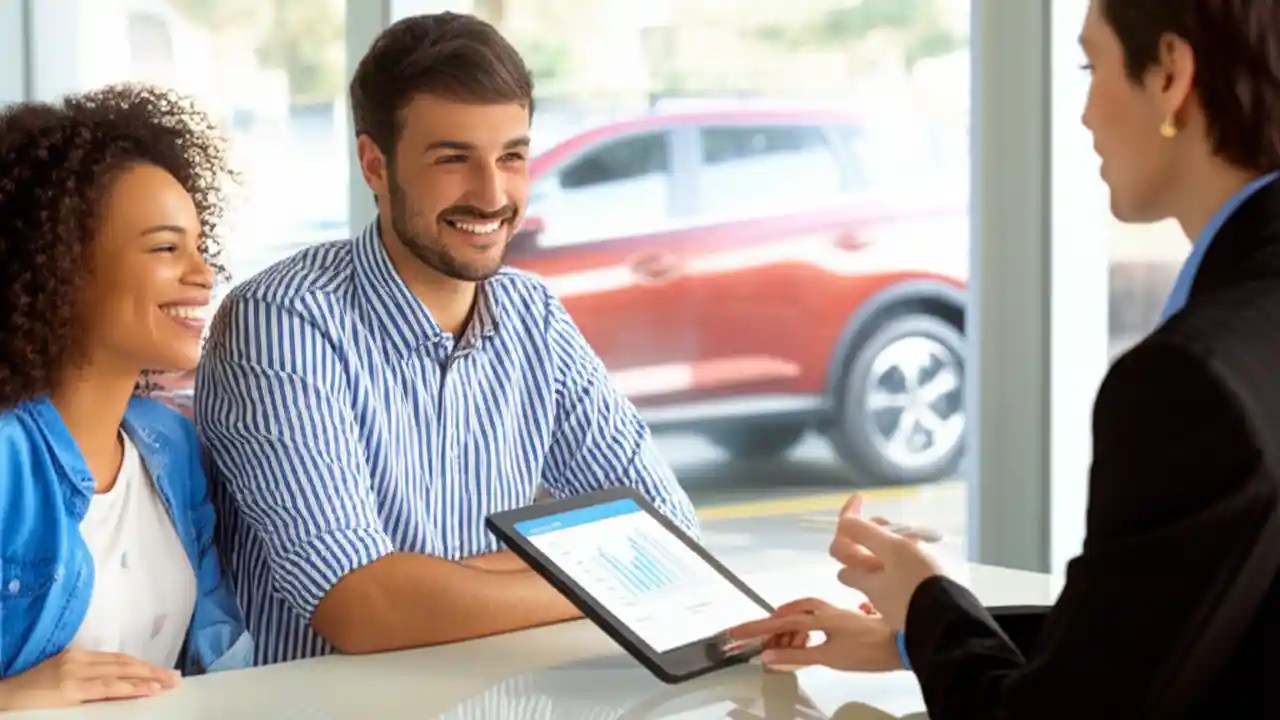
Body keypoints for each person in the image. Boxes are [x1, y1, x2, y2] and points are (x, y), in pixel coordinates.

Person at [729, 0, 1280, 717]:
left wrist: (927, 601)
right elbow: (1171, 631)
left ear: (1171, 73)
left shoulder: (1193, 380)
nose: (1083, 113)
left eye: (1091, 66)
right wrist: (919, 635)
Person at [194, 12, 699, 666]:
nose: (492, 195)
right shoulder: (284, 320)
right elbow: (362, 606)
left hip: (502, 698)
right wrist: (604, 581)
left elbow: (670, 532)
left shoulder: (533, 315)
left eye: (511, 157)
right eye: (453, 159)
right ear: (374, 165)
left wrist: (431, 587)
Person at [0, 84, 253, 711]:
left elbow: (222, 664)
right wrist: (11, 699)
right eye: (166, 248)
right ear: (62, 265)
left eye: (198, 246)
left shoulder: (171, 445)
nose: (203, 274)